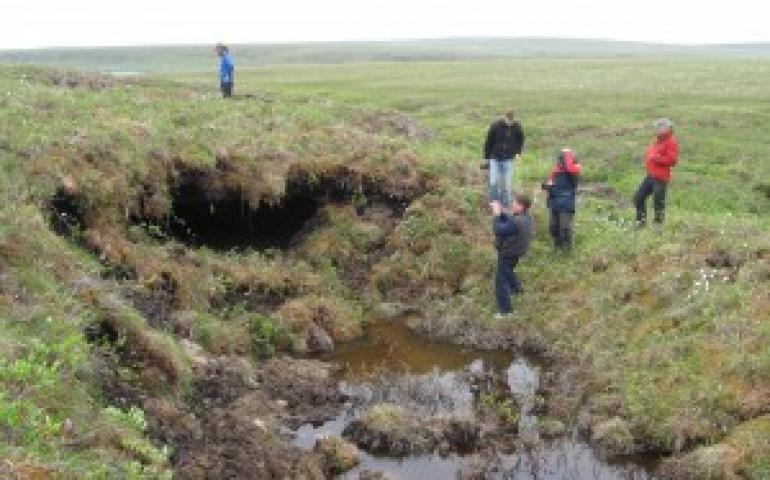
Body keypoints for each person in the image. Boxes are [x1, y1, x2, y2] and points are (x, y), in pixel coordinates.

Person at [491, 195, 532, 316]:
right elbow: (510, 220)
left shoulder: (516, 221)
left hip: (508, 253)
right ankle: (517, 289)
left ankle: (505, 311)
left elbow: (498, 229)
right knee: (508, 270)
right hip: (517, 252)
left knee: (500, 281)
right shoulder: (526, 218)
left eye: (514, 203)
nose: (511, 205)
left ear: (521, 206)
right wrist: (502, 212)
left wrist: (497, 215)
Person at [634, 118, 679, 226]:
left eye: (660, 126)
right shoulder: (657, 140)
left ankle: (658, 227)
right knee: (638, 197)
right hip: (650, 176)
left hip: (660, 178)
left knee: (658, 203)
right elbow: (651, 154)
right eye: (657, 127)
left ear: (668, 128)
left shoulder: (671, 142)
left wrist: (657, 158)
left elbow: (673, 160)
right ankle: (640, 223)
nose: (657, 129)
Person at [483, 110, 525, 209]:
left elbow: (521, 140)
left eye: (512, 122)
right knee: (493, 182)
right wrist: (486, 158)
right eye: (508, 121)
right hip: (495, 158)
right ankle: (494, 204)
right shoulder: (495, 126)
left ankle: (505, 206)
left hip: (509, 159)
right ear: (504, 117)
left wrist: (518, 152)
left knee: (507, 184)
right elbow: (488, 142)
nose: (510, 123)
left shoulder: (517, 127)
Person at [543, 148, 582, 250]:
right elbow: (550, 185)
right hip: (555, 203)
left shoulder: (574, 170)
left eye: (562, 158)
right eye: (561, 158)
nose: (561, 161)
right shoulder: (555, 171)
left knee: (564, 228)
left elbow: (570, 169)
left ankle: (567, 249)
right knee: (553, 228)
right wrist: (546, 186)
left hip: (566, 203)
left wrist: (567, 152)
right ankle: (558, 247)